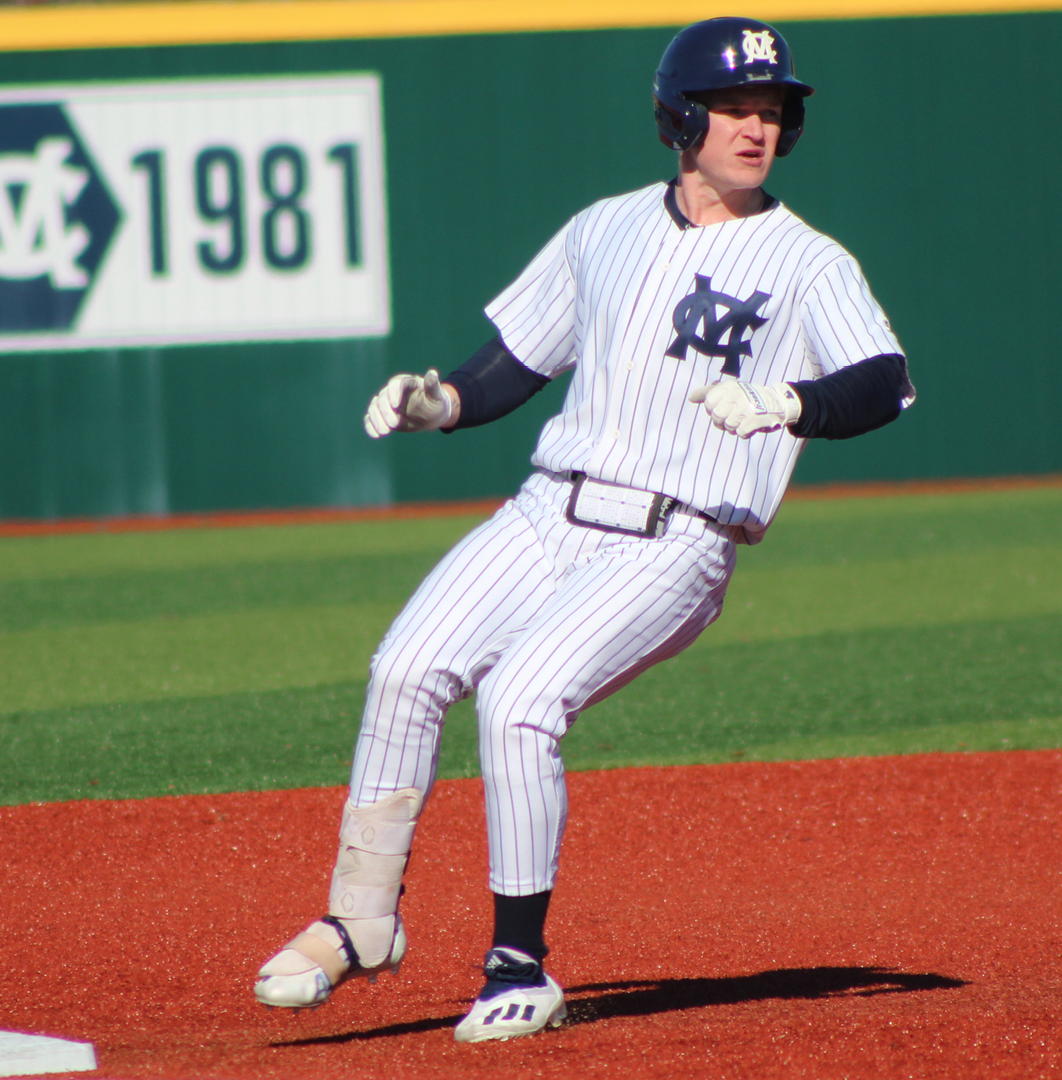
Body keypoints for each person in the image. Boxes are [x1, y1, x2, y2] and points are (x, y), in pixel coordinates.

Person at [253, 16, 915, 1043]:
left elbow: (884, 381)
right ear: (680, 115)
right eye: (737, 107)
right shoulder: (602, 228)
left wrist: (790, 403)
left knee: (518, 701)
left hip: (674, 538)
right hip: (547, 508)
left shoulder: (807, 261)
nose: (759, 126)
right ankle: (359, 921)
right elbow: (513, 363)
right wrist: (442, 403)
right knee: (405, 667)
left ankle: (519, 965)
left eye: (774, 110)